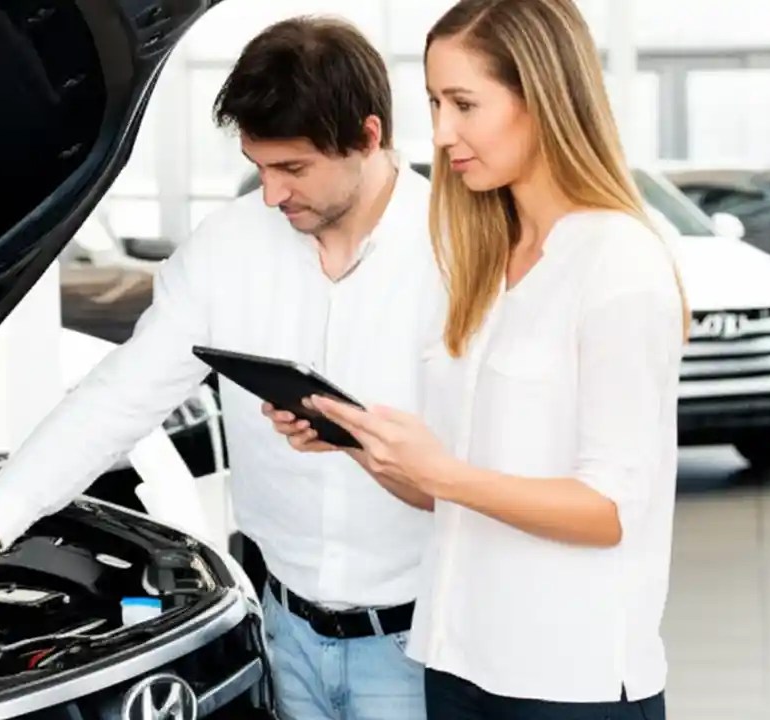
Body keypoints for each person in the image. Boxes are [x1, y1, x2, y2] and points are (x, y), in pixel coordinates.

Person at [0, 15, 447, 720]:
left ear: (368, 137)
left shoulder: (461, 249)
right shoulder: (228, 248)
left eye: (293, 168)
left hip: (422, 648)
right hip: (281, 633)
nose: (271, 194)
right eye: (259, 165)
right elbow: (118, 398)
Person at [269, 1, 686, 718]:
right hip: (458, 661)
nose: (441, 133)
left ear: (546, 97)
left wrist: (446, 472)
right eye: (434, 103)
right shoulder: (486, 262)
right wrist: (367, 448)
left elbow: (612, 510)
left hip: (568, 680)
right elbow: (460, 490)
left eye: (464, 104)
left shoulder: (619, 262)